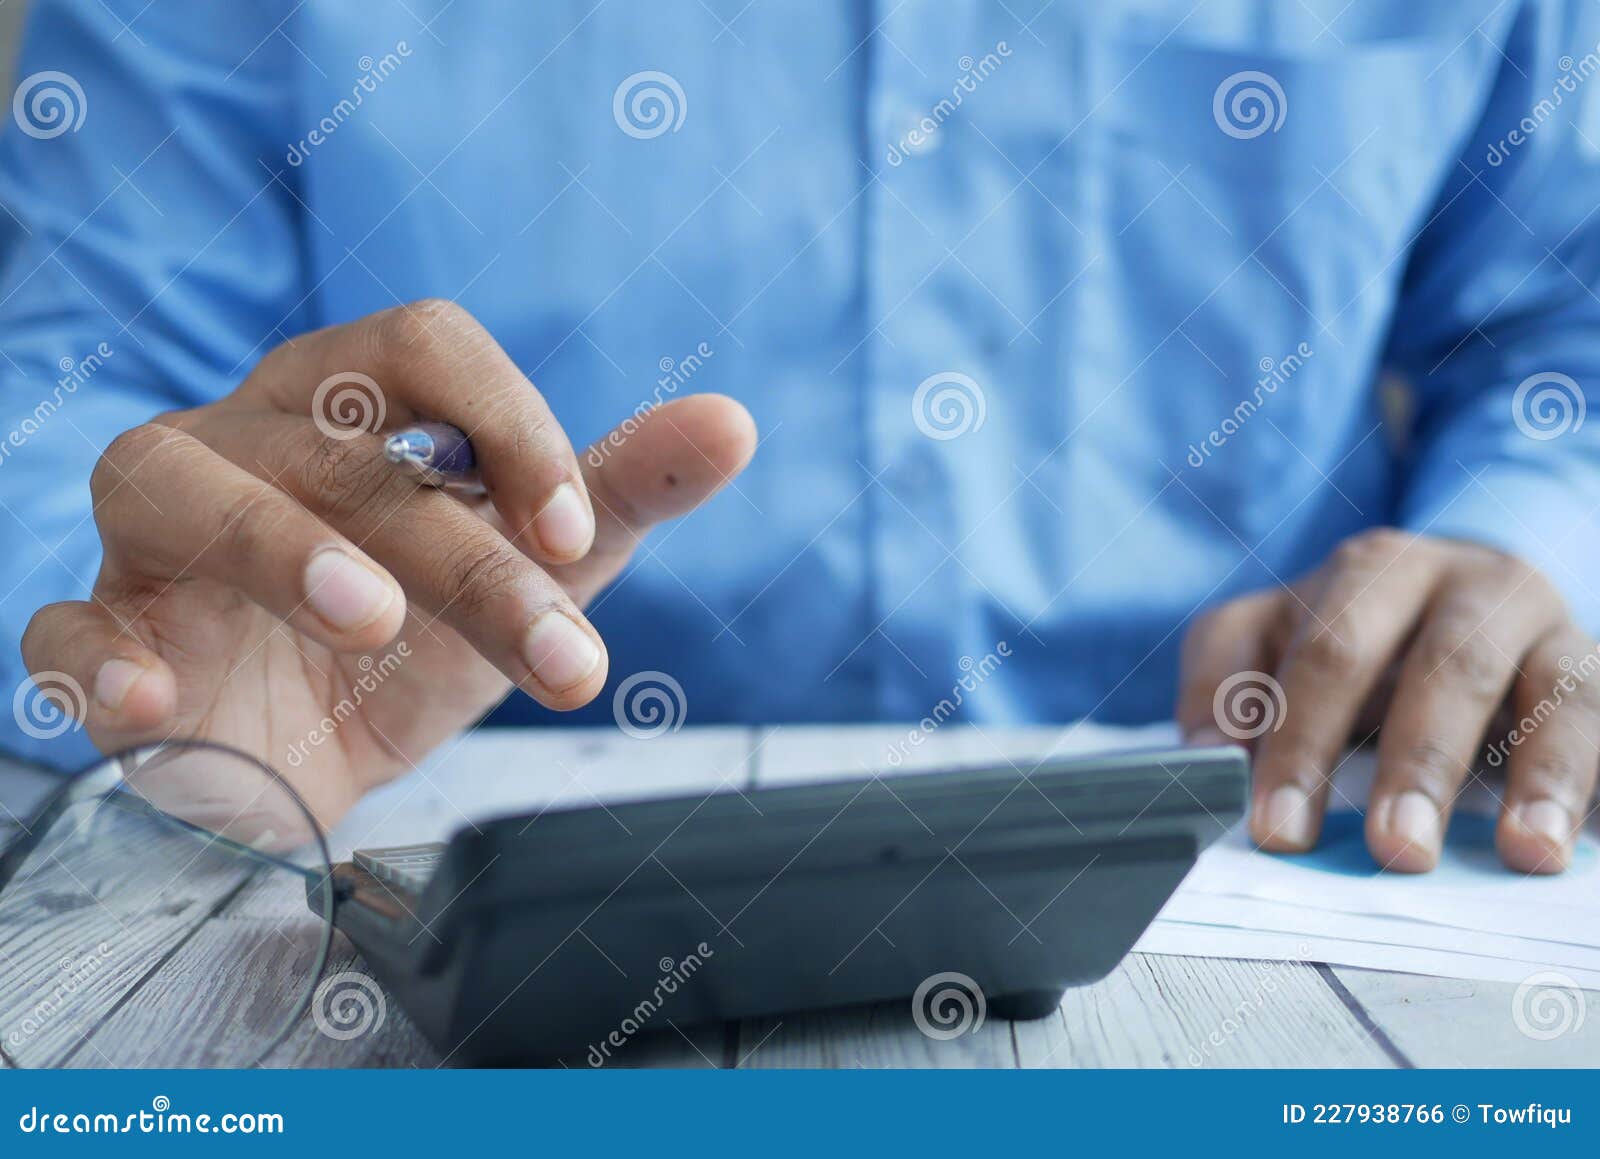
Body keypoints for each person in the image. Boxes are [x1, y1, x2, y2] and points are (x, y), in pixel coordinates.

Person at [2, 0, 1598, 869]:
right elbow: (69, 400)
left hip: (1270, 836)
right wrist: (159, 653)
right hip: (424, 842)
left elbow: (1559, 326)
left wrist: (1520, 545)